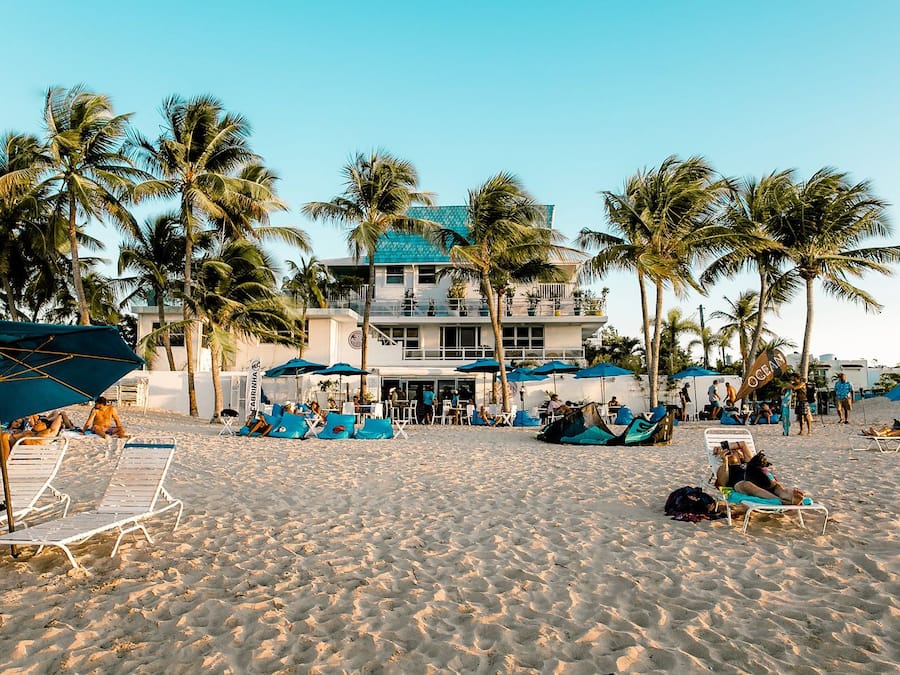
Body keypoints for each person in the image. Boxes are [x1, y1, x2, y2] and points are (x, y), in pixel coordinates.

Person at [715, 442, 806, 505]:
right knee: (747, 484)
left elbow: (743, 444)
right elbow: (723, 483)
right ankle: (781, 501)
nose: (730, 452)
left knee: (776, 486)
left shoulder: (749, 462)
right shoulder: (724, 467)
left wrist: (724, 447)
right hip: (740, 484)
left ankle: (789, 497)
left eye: (733, 451)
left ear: (739, 455)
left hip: (758, 480)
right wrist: (725, 461)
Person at [1, 413, 66, 463]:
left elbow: (55, 425)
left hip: (18, 461)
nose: (37, 422)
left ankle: (4, 464)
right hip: (14, 455)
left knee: (4, 436)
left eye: (40, 422)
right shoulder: (32, 434)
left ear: (45, 426)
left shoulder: (46, 435)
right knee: (5, 436)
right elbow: (54, 413)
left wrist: (61, 415)